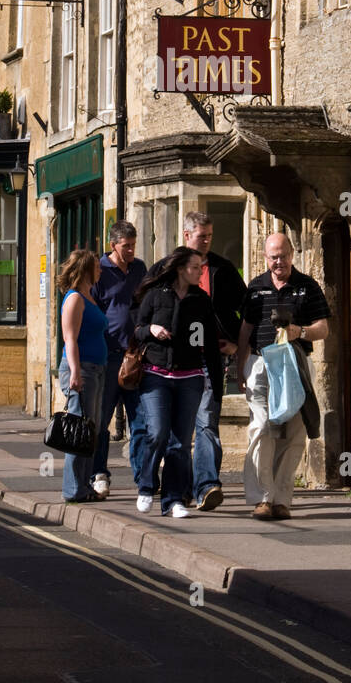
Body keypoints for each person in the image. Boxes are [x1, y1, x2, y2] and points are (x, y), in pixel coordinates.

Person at [146, 212, 245, 511]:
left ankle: (207, 486)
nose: (206, 241)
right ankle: (176, 487)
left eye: (210, 236)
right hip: (171, 365)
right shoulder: (164, 269)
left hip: (209, 359)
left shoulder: (223, 269)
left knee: (206, 423)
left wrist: (236, 345)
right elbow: (142, 311)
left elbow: (245, 309)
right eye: (202, 236)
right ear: (186, 235)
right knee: (173, 431)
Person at [236, 233, 330, 520]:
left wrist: (299, 332)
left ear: (292, 254)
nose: (279, 262)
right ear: (266, 257)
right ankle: (262, 497)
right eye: (273, 256)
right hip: (261, 364)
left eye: (284, 255)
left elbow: (323, 328)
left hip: (295, 365)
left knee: (293, 435)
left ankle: (281, 500)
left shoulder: (307, 286)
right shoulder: (255, 287)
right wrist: (239, 367)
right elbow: (245, 330)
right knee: (262, 428)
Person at [133, 246, 222, 518]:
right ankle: (147, 486)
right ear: (182, 269)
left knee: (180, 443)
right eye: (196, 267)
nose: (200, 271)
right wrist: (151, 330)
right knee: (157, 432)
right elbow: (136, 329)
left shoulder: (201, 300)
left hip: (190, 377)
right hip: (156, 374)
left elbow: (210, 345)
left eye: (201, 267)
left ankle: (173, 500)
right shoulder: (155, 294)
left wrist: (217, 383)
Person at [89, 221, 147, 499]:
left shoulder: (139, 268)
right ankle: (99, 474)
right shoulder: (100, 271)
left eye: (133, 245)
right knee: (101, 422)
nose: (131, 250)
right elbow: (93, 311)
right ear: (113, 245)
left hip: (136, 356)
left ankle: (143, 477)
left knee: (141, 422)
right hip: (109, 357)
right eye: (126, 247)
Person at [58, 248, 108, 503]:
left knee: (91, 432)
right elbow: (70, 339)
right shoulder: (75, 298)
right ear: (86, 270)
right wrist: (76, 373)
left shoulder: (90, 296)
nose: (100, 270)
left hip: (96, 368)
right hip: (81, 371)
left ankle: (83, 487)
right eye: (97, 267)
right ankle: (73, 489)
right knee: (79, 433)